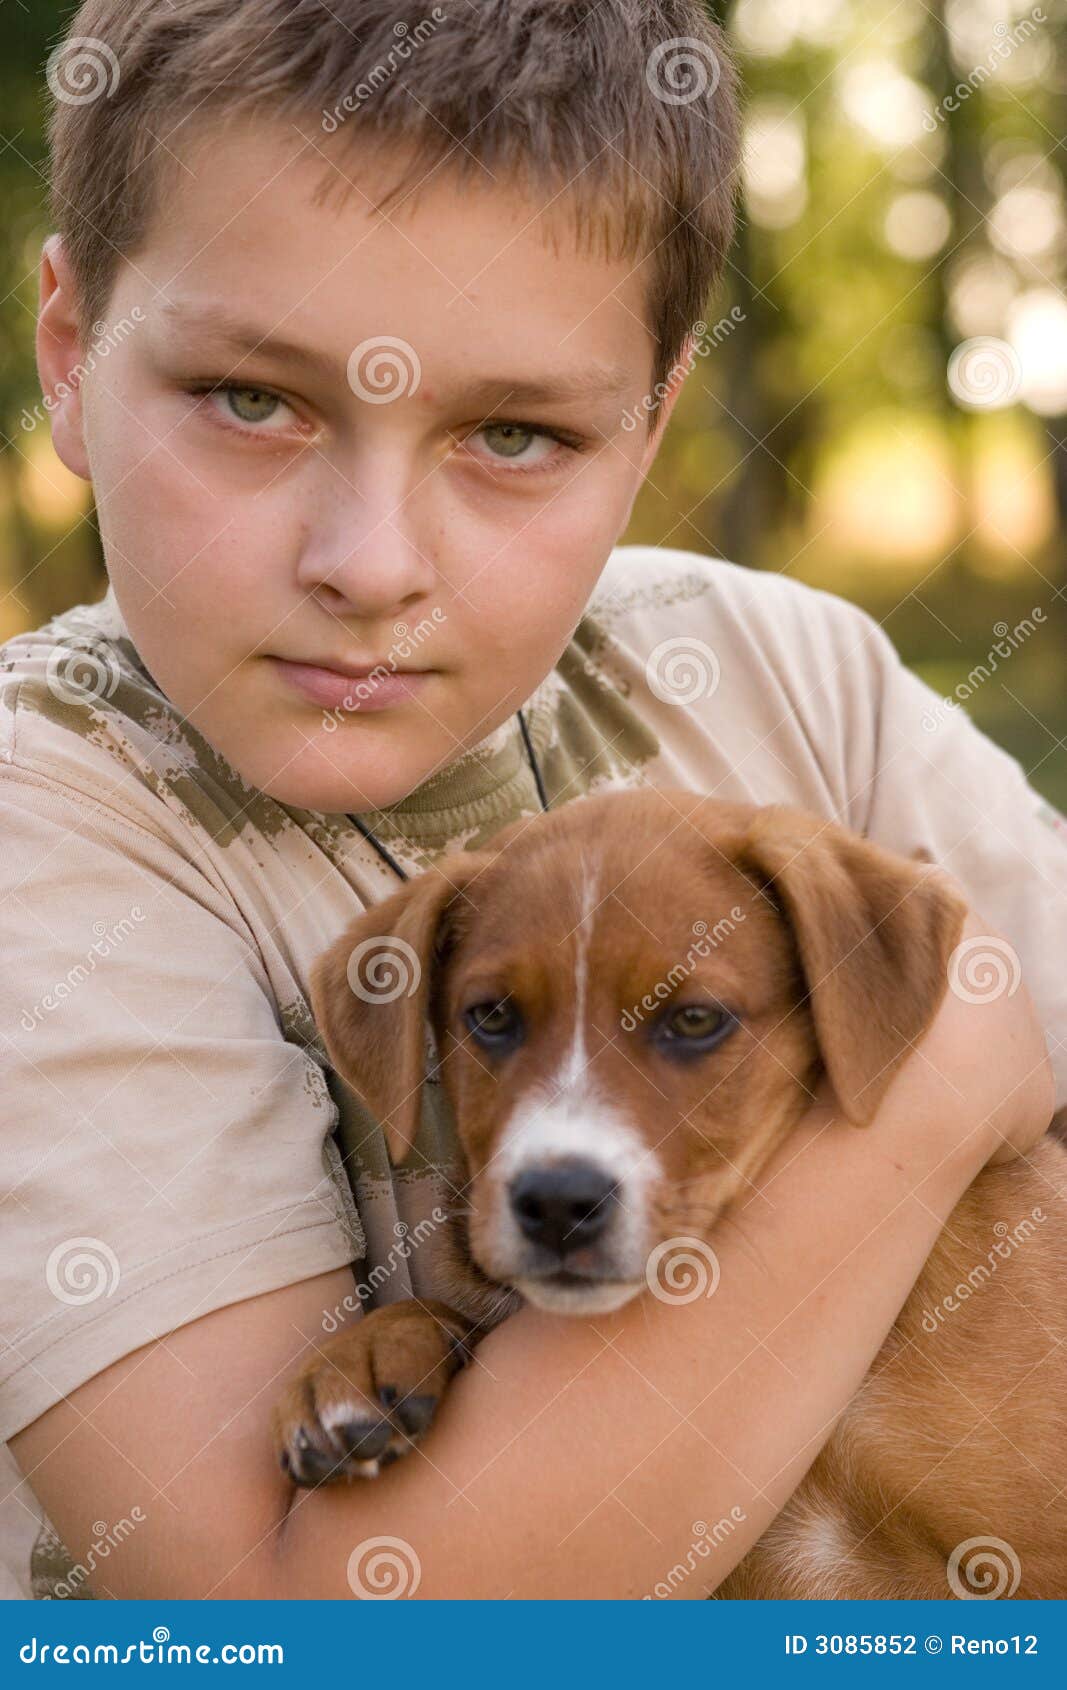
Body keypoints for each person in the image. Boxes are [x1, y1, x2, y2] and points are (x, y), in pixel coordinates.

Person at [1, 0, 1061, 1601]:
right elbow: (290, 1625)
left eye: (515, 431)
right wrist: (931, 1092)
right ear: (71, 362)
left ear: (650, 426)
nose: (369, 564)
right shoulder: (48, 833)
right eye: (249, 396)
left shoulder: (783, 675)